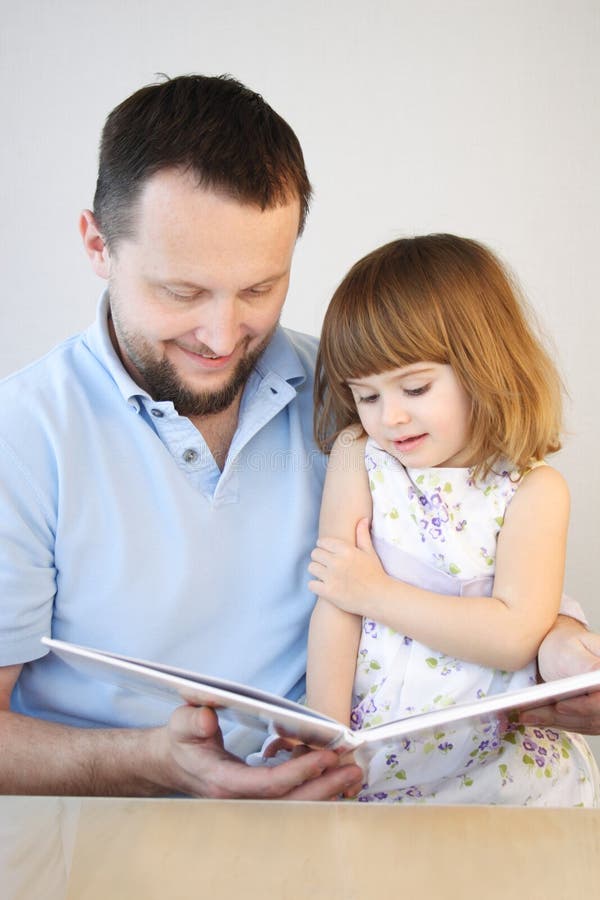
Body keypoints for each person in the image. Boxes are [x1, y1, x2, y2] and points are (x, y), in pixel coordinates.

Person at [0, 76, 597, 798]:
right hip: (111, 838)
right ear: (98, 243)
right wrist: (152, 760)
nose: (222, 338)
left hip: (357, 815)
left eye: (259, 289)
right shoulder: (23, 436)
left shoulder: (356, 397)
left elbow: (471, 548)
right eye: (182, 293)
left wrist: (558, 640)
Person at [306, 234, 599, 804]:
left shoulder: (533, 491)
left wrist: (377, 593)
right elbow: (336, 602)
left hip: (498, 769)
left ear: (482, 366)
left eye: (414, 387)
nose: (389, 416)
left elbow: (514, 637)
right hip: (377, 761)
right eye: (365, 395)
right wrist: (323, 737)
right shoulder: (359, 456)